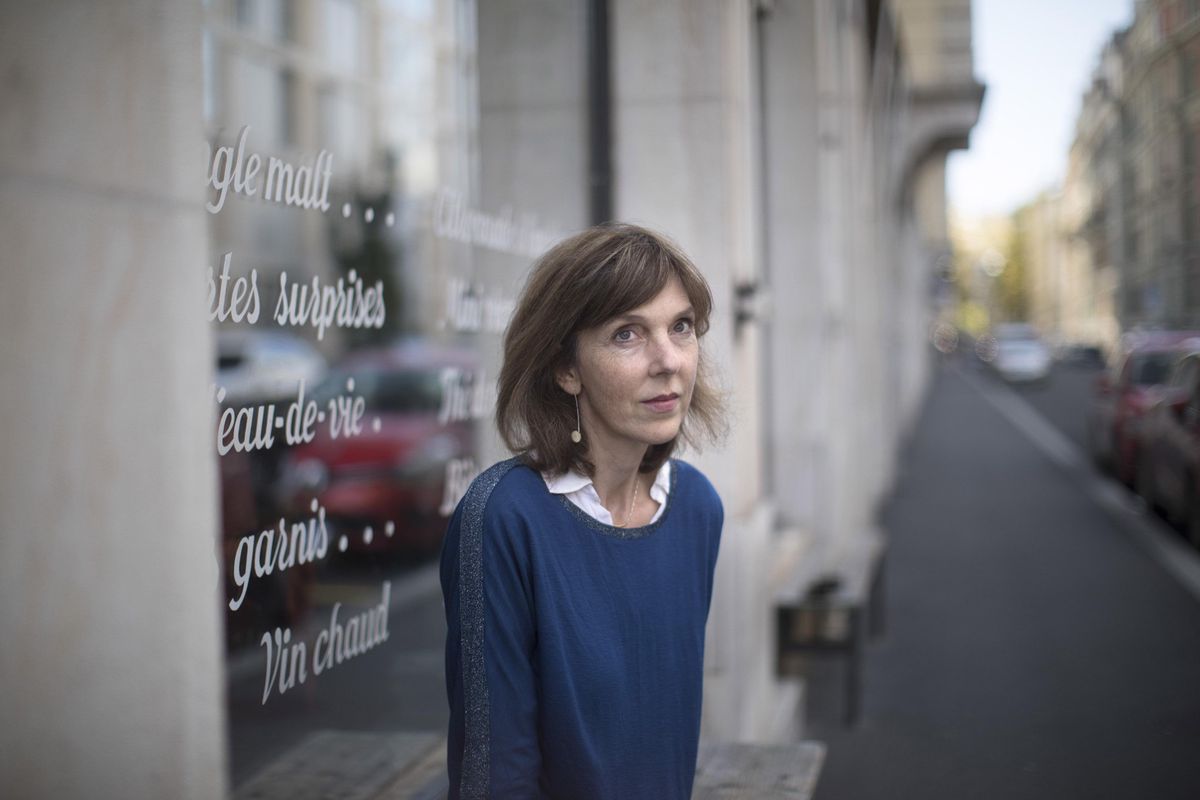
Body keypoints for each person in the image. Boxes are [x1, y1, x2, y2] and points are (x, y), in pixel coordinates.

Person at [440, 222, 726, 799]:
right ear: (566, 368)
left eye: (682, 327)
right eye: (627, 334)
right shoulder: (504, 518)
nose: (668, 360)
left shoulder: (695, 507)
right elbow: (496, 776)